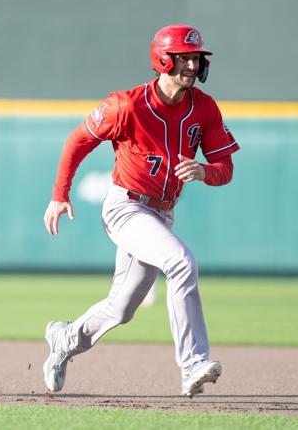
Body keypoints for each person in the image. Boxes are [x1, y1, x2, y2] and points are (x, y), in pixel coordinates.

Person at [41, 24, 239, 398]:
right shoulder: (127, 105)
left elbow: (225, 169)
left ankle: (65, 340)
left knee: (122, 308)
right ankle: (193, 363)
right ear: (163, 60)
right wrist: (59, 193)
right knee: (181, 261)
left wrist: (205, 171)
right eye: (184, 57)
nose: (193, 65)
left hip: (161, 214)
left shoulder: (205, 108)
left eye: (196, 57)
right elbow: (78, 141)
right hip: (126, 207)